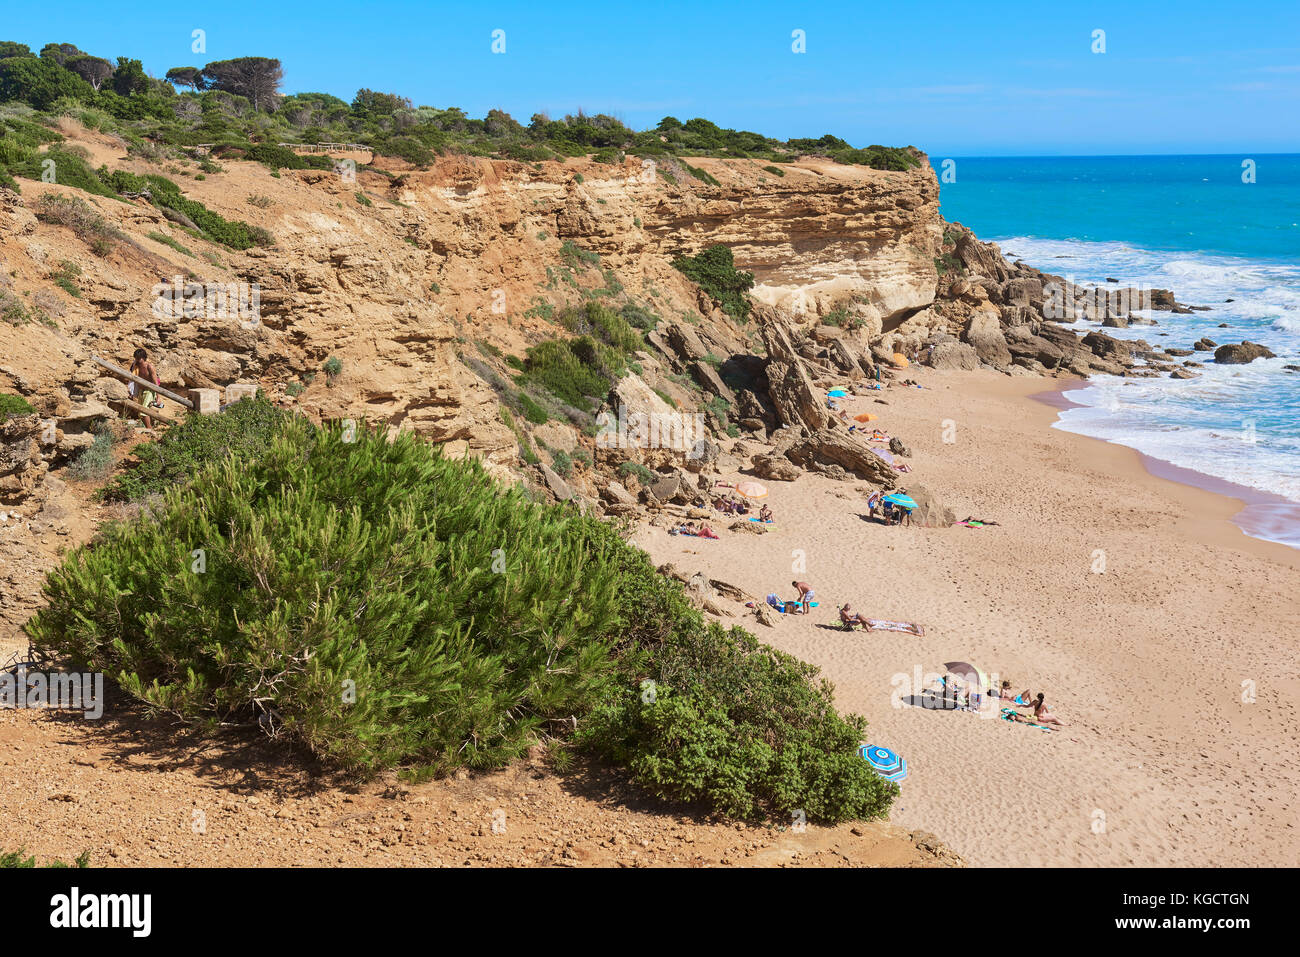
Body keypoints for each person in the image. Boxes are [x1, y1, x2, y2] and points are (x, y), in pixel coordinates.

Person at [129, 347, 161, 430]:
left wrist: (158, 397)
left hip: (149, 391)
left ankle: (149, 429)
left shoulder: (149, 367)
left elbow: (155, 383)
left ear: (143, 358)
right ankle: (149, 428)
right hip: (141, 390)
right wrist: (132, 392)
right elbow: (132, 379)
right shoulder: (136, 366)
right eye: (135, 358)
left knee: (144, 411)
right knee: (140, 413)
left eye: (138, 358)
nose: (136, 360)